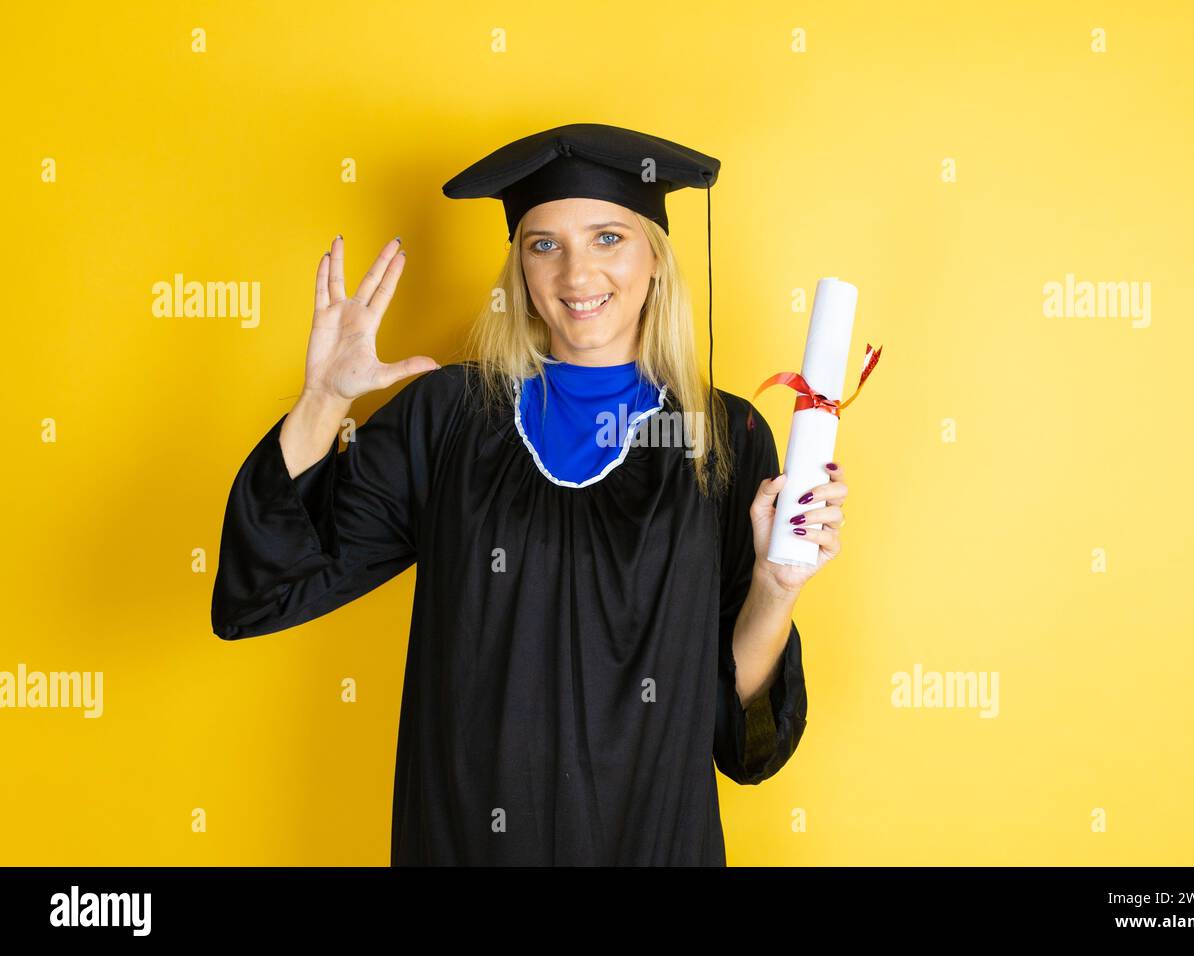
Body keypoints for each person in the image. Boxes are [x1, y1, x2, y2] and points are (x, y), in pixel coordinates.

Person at [210, 123, 850, 865]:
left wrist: (774, 588)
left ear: (656, 259)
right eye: (544, 245)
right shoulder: (451, 415)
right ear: (518, 268)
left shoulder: (723, 436)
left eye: (607, 238)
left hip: (652, 843)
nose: (576, 275)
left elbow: (740, 739)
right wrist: (322, 400)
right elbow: (267, 589)